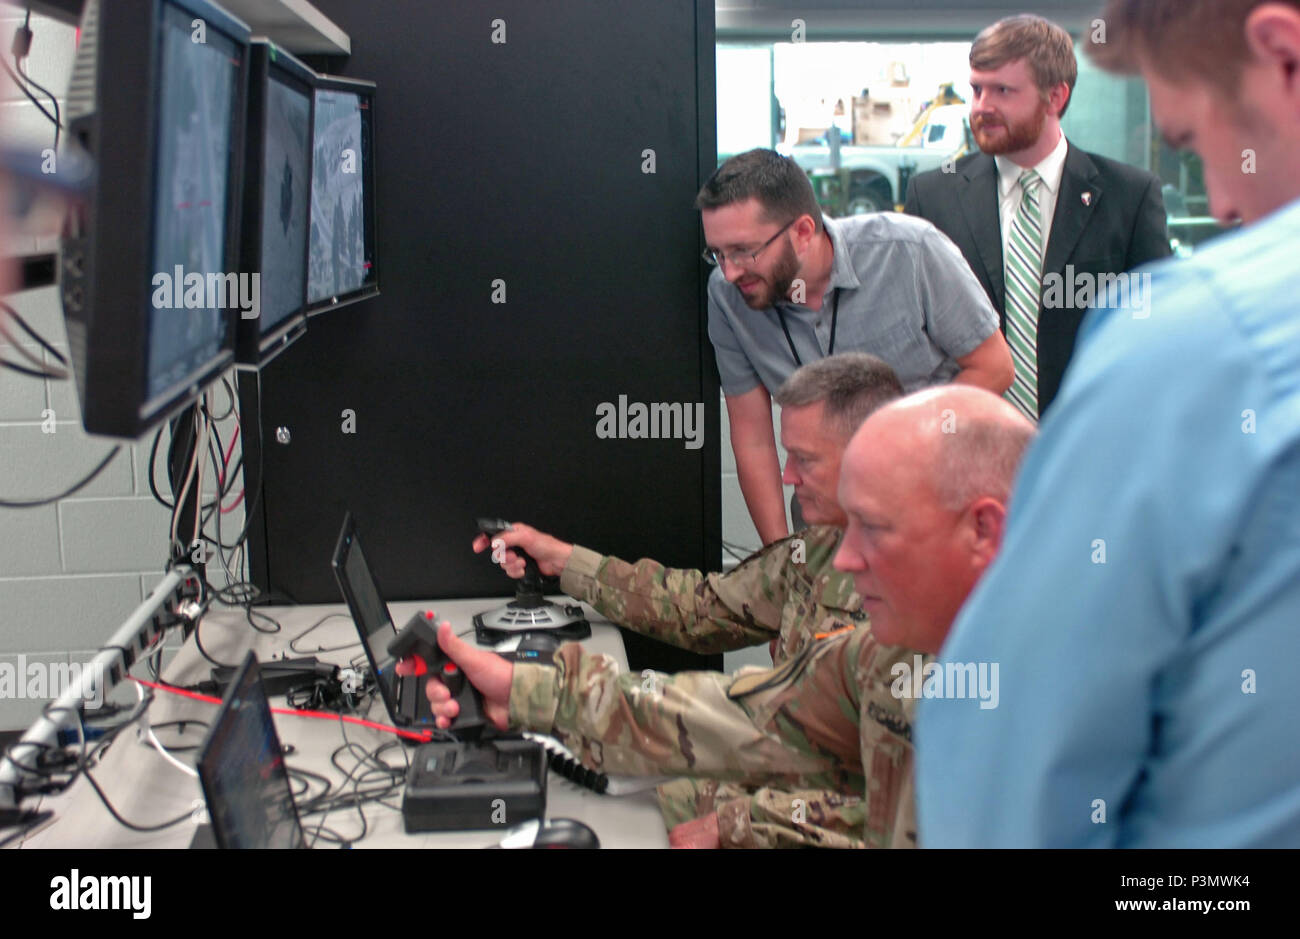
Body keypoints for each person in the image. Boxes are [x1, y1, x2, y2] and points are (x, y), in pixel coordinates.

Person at [918, 0, 1300, 847]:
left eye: (1197, 138)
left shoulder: (1201, 334)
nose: (1229, 204)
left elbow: (1017, 755)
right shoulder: (936, 195)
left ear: (1283, 58)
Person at [404, 387, 1035, 847]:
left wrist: (743, 827)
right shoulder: (883, 653)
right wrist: (520, 689)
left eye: (875, 528)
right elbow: (730, 712)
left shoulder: (1095, 706)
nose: (845, 557)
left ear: (983, 529)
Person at [474, 353, 903, 848]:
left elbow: (897, 800)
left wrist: (741, 825)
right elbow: (703, 610)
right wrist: (563, 561)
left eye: (804, 460)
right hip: (761, 785)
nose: (786, 477)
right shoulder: (817, 550)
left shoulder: (933, 607)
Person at [701, 149, 1014, 543]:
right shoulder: (727, 296)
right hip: (825, 521)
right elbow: (752, 436)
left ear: (801, 232)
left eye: (744, 251)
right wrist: (779, 560)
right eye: (718, 253)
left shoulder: (910, 251)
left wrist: (904, 449)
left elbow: (995, 366)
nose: (729, 272)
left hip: (933, 499)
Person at [904, 14, 1171, 419]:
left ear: (1055, 97)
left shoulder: (1129, 197)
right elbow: (917, 337)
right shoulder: (933, 196)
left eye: (1003, 91)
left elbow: (1155, 332)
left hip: (1087, 440)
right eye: (976, 89)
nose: (982, 107)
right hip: (967, 445)